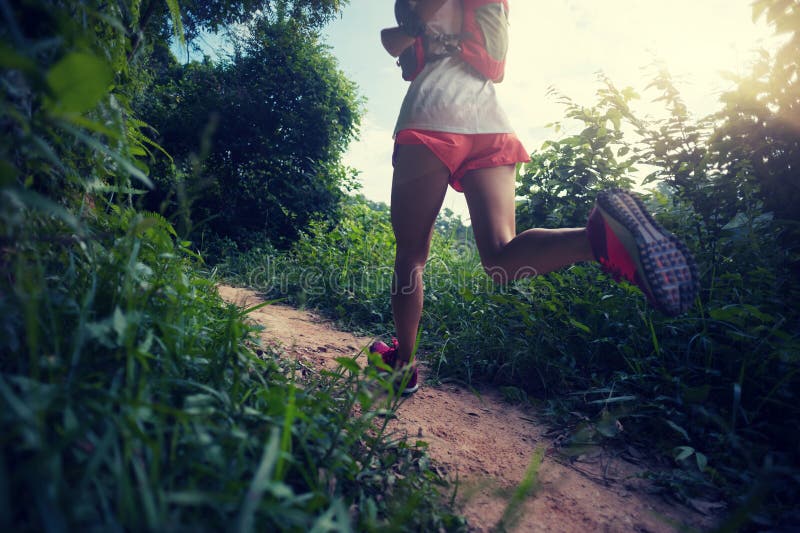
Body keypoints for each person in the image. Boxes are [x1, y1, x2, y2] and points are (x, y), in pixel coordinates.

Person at [369, 0, 698, 395]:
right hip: (489, 123)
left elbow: (399, 40)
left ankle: (402, 364)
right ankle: (597, 237)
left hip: (430, 118)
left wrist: (413, 26)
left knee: (411, 254)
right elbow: (397, 44)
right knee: (500, 256)